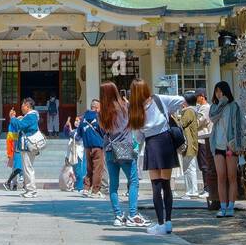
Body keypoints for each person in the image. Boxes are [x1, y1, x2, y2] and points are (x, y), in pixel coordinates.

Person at [128, 79, 186, 235]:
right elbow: (181, 100)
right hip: (166, 142)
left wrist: (134, 150)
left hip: (152, 145)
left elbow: (138, 137)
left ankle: (160, 223)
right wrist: (169, 112)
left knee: (156, 186)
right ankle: (168, 222)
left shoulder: (136, 110)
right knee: (166, 185)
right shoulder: (159, 99)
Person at [98, 82, 148, 227]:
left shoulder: (102, 112)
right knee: (133, 181)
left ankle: (118, 216)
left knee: (113, 185)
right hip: (125, 147)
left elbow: (104, 130)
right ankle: (132, 214)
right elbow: (133, 122)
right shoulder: (124, 107)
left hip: (109, 148)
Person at [210, 81, 245, 217]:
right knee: (221, 176)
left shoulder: (234, 106)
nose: (219, 94)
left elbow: (238, 127)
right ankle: (222, 206)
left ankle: (231, 206)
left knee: (231, 177)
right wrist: (221, 103)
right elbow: (213, 118)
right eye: (217, 91)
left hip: (231, 145)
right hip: (218, 145)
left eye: (221, 91)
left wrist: (237, 145)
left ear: (226, 92)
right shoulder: (214, 107)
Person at [8, 97, 39, 199]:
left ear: (28, 106)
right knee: (27, 168)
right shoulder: (31, 116)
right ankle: (29, 189)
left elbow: (20, 125)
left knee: (27, 168)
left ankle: (31, 190)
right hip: (27, 145)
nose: (21, 107)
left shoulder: (31, 116)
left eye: (23, 105)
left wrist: (13, 118)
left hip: (28, 145)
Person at [195, 89, 220, 210]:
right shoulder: (201, 107)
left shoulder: (205, 108)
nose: (196, 98)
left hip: (204, 138)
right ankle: (206, 187)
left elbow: (199, 122)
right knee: (203, 164)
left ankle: (207, 188)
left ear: (202, 96)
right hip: (201, 139)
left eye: (197, 96)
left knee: (205, 165)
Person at [176, 92, 201, 199]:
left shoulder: (188, 111)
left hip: (189, 144)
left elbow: (181, 123)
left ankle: (192, 190)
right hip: (190, 143)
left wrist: (174, 117)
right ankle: (190, 190)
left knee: (190, 168)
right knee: (189, 167)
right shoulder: (190, 111)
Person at [80, 99, 106, 197]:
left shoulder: (83, 117)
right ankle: (95, 190)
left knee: (89, 168)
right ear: (96, 108)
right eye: (99, 108)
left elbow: (79, 132)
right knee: (98, 169)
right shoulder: (98, 117)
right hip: (98, 146)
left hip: (87, 146)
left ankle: (86, 188)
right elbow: (103, 130)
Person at [64, 115, 87, 192]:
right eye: (75, 120)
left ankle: (80, 187)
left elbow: (76, 137)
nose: (76, 122)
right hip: (73, 153)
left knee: (79, 170)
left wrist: (70, 130)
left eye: (78, 121)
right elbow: (67, 134)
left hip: (79, 153)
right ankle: (77, 185)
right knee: (75, 170)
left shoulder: (83, 130)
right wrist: (67, 126)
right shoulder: (75, 130)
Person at [4, 112, 22, 191]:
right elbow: (10, 141)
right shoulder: (13, 129)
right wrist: (9, 153)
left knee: (19, 168)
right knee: (16, 168)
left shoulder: (21, 129)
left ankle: (11, 183)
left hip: (21, 150)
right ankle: (13, 184)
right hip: (15, 151)